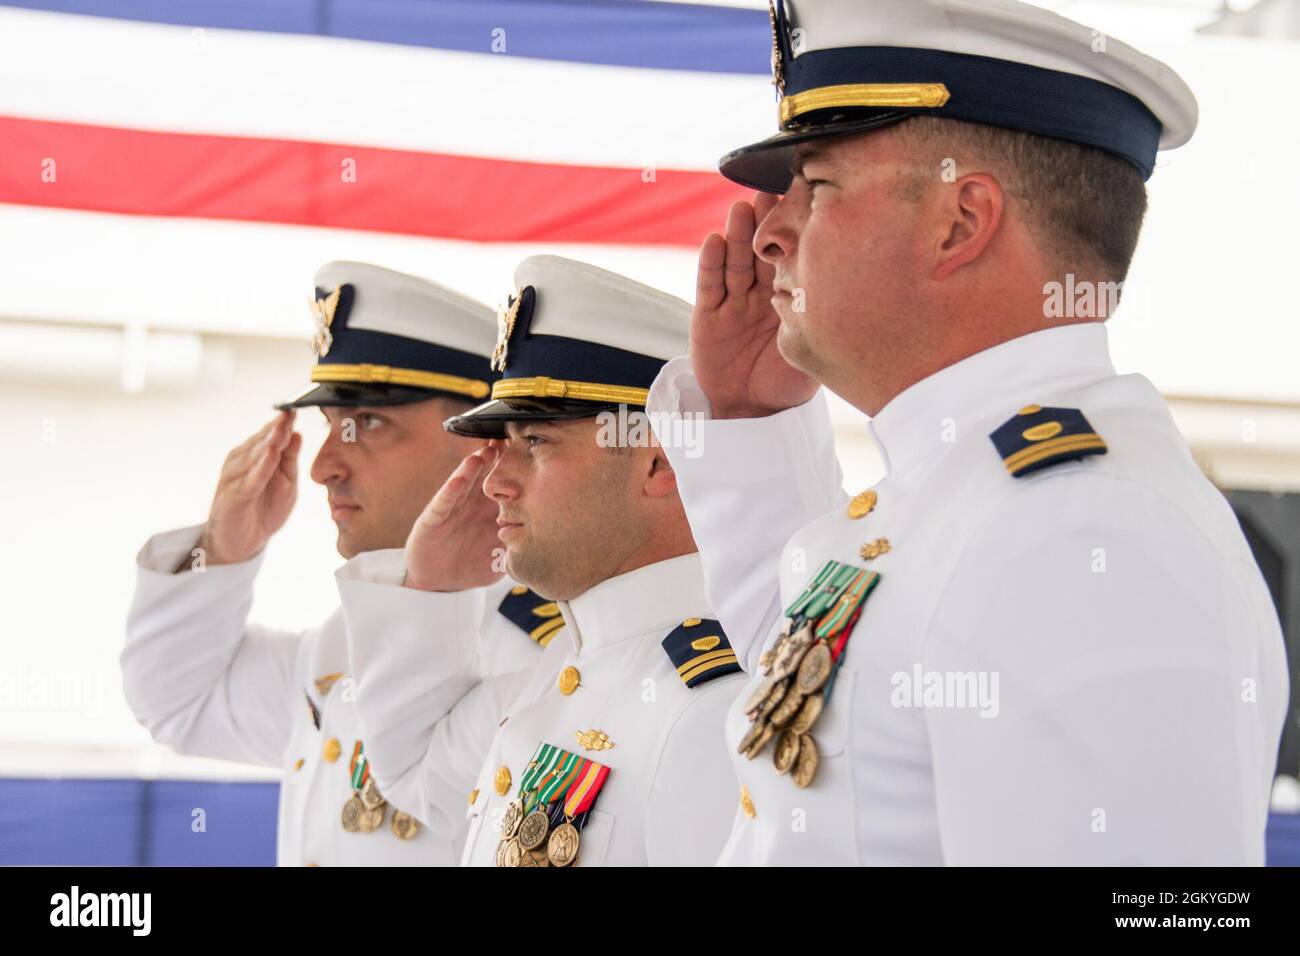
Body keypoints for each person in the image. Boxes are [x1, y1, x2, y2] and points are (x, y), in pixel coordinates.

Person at [646, 0, 1289, 865]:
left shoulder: (1084, 531)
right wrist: (750, 415)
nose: (767, 233)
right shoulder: (953, 495)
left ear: (962, 221)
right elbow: (809, 696)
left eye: (818, 185)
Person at [122, 262, 549, 866]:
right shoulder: (340, 644)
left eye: (368, 424)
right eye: (329, 426)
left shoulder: (546, 651)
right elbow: (176, 700)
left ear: (484, 441)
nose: (324, 467)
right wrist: (221, 548)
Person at [334, 255, 745, 866]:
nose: (495, 482)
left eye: (536, 442)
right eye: (503, 446)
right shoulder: (563, 666)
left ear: (657, 459)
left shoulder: (714, 709)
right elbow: (416, 776)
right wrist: (430, 589)